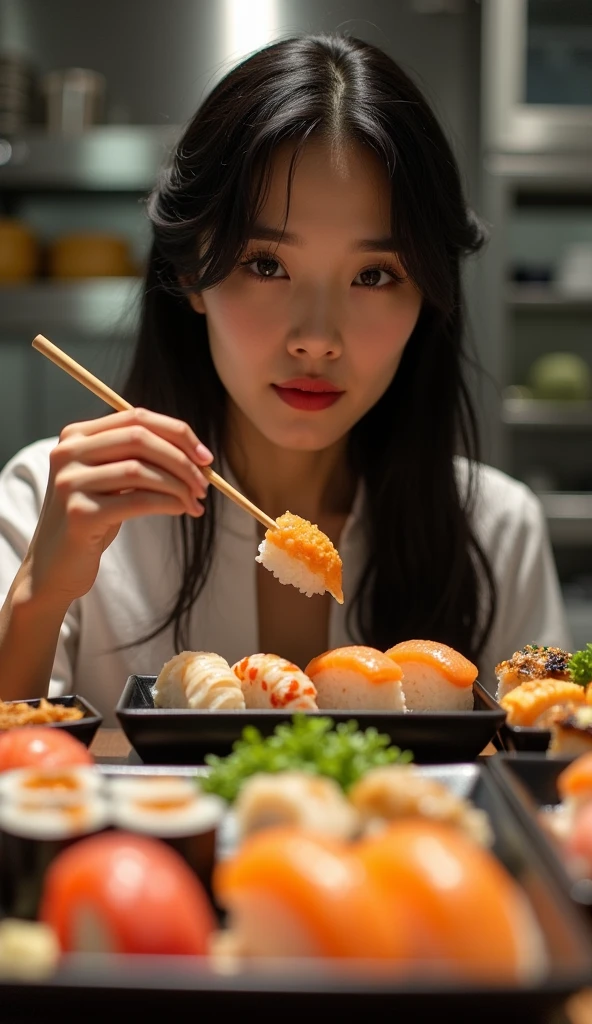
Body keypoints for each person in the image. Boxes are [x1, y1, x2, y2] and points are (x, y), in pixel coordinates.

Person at [0, 34, 571, 723]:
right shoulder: (53, 502)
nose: (316, 339)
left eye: (374, 275)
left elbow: (553, 791)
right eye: (266, 265)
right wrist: (38, 594)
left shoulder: (498, 533)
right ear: (191, 273)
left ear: (428, 296)